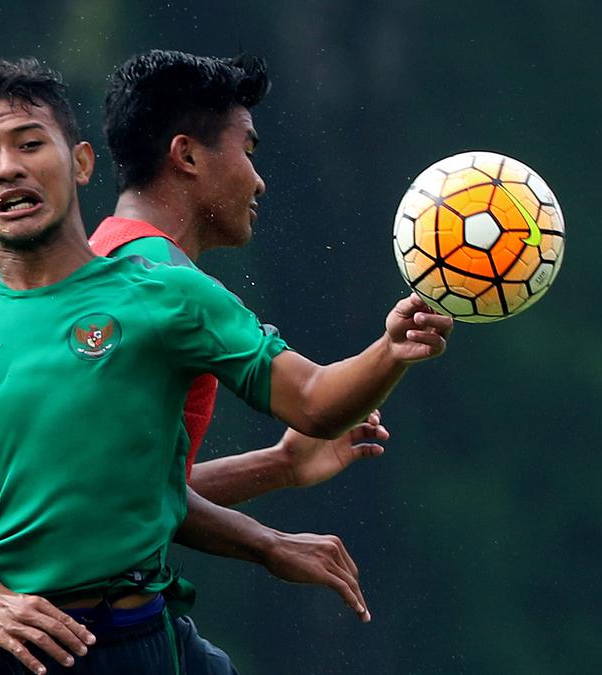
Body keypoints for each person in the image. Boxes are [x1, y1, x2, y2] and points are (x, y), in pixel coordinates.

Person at [0, 58, 452, 674]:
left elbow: (311, 402)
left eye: (30, 145)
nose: (8, 168)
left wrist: (391, 347)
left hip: (126, 639)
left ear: (82, 164)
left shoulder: (165, 295)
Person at [95, 48, 397, 621]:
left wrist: (279, 465)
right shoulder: (171, 287)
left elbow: (133, 495)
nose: (258, 180)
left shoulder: (94, 260)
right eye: (247, 150)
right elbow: (315, 402)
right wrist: (397, 345)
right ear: (186, 155)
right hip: (91, 628)